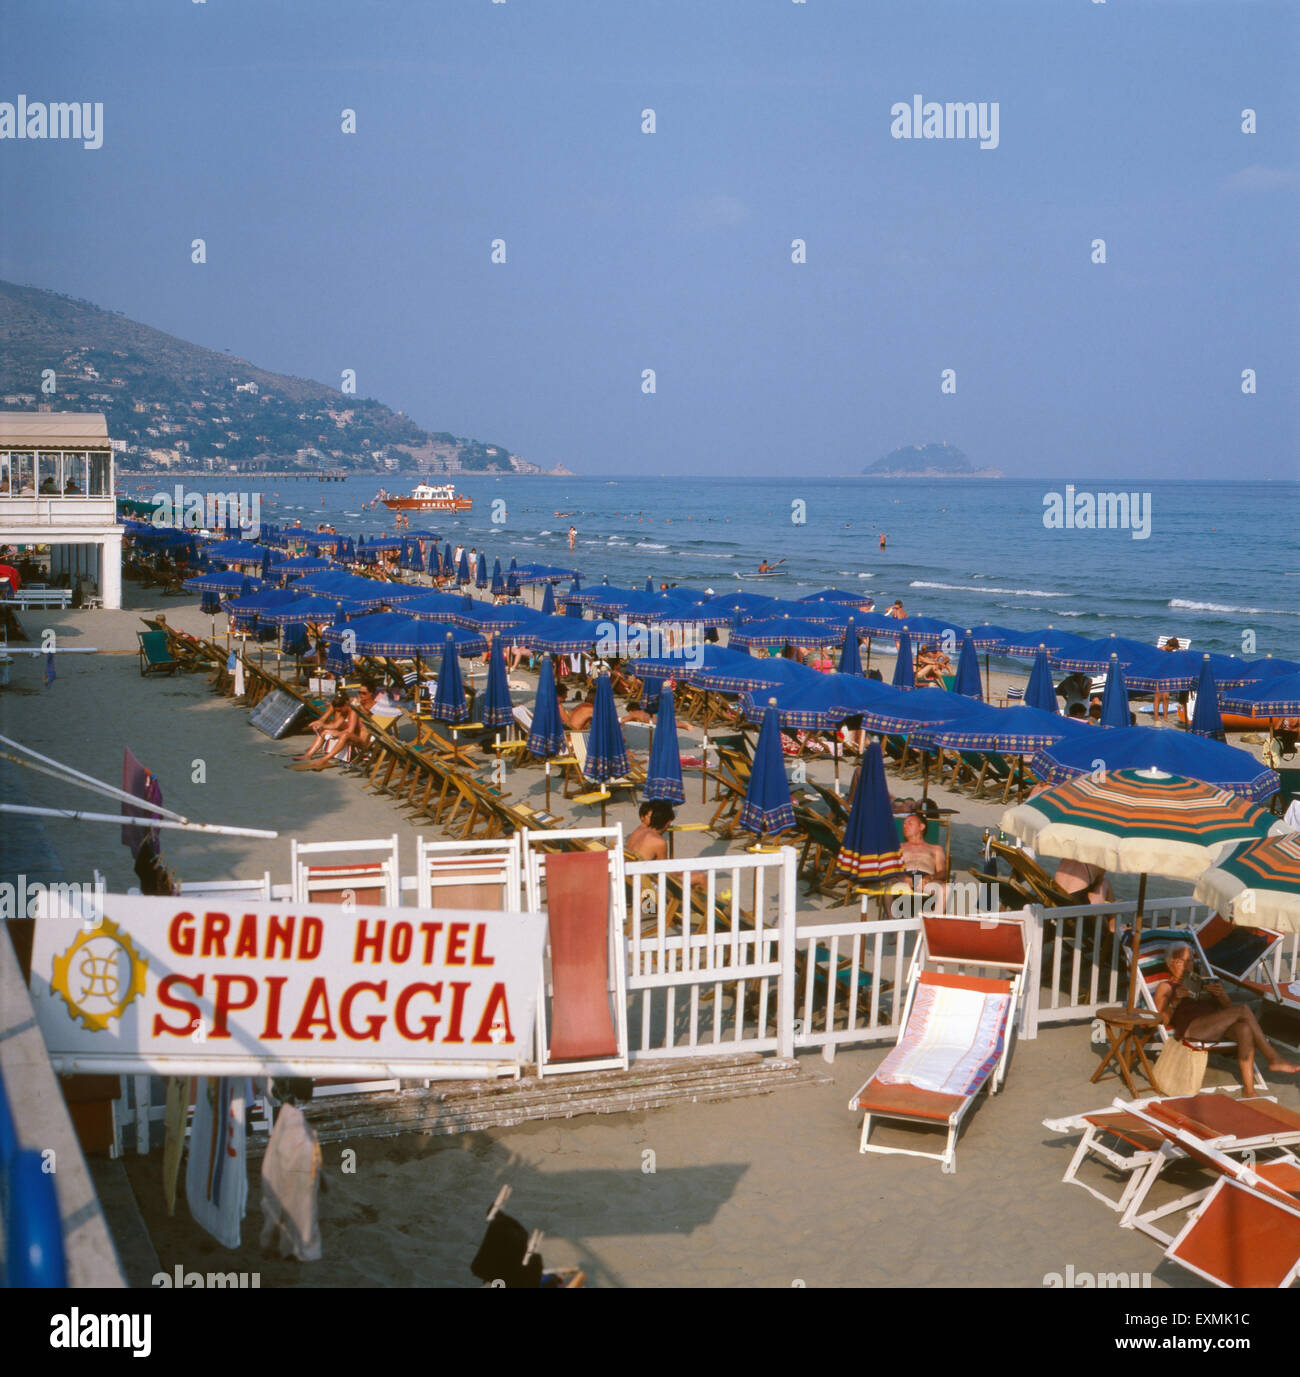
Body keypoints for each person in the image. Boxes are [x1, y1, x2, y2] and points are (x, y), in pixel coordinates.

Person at [1154, 943, 1299, 1096]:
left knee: (1244, 1028)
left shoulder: (1202, 981)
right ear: (1170, 964)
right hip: (1193, 1028)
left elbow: (1229, 1009)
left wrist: (1221, 995)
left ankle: (1249, 1091)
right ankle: (1273, 1057)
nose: (1186, 965)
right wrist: (1175, 1001)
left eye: (1189, 960)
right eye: (1180, 961)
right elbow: (1161, 1020)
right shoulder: (1166, 986)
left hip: (1214, 1026)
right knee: (1243, 1009)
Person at [899, 811, 948, 904]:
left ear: (921, 827)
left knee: (945, 889)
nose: (905, 826)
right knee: (888, 885)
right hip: (904, 877)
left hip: (926, 879)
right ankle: (891, 917)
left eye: (910, 823)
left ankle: (935, 918)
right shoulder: (898, 847)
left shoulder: (936, 849)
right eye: (904, 824)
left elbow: (942, 872)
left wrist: (930, 878)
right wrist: (902, 877)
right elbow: (892, 868)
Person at [1154, 634, 1182, 722]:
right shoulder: (1160, 652)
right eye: (1173, 648)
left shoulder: (1170, 652)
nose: (1173, 650)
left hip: (1167, 675)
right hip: (1158, 675)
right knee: (1158, 696)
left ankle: (1165, 717)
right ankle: (1156, 717)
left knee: (1166, 697)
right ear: (1169, 646)